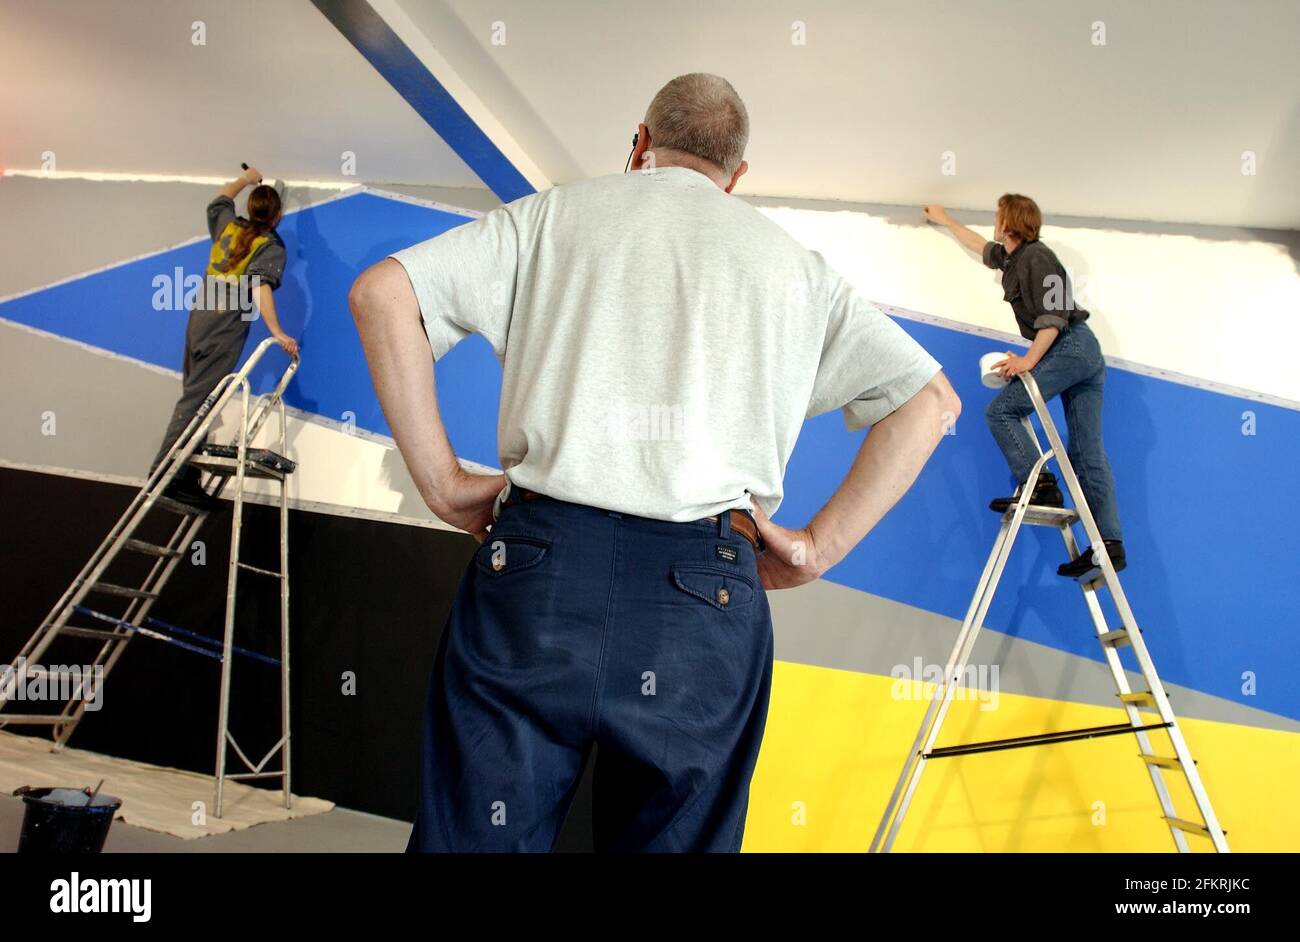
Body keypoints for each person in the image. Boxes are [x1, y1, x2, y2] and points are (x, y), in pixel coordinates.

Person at [351, 73, 961, 852]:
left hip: (539, 570)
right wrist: (817, 548)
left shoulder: (552, 215)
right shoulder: (798, 271)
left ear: (640, 143)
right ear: (736, 174)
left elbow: (381, 294)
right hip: (705, 594)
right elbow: (931, 402)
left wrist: (441, 485)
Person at [923, 196, 1124, 577]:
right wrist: (945, 220)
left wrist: (1028, 361)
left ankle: (1040, 485)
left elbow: (1054, 316)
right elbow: (980, 246)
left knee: (1001, 411)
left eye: (998, 216)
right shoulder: (1012, 258)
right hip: (1077, 353)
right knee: (1086, 454)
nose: (994, 222)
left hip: (1072, 347)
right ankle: (1108, 547)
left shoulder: (1038, 257)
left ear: (1008, 222)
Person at [150, 165, 299, 508]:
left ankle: (186, 475)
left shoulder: (229, 226)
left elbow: (219, 201)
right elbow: (259, 286)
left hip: (199, 321)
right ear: (277, 216)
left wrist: (246, 179)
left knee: (200, 397)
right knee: (198, 401)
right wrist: (277, 332)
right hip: (222, 328)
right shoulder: (270, 245)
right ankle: (165, 476)